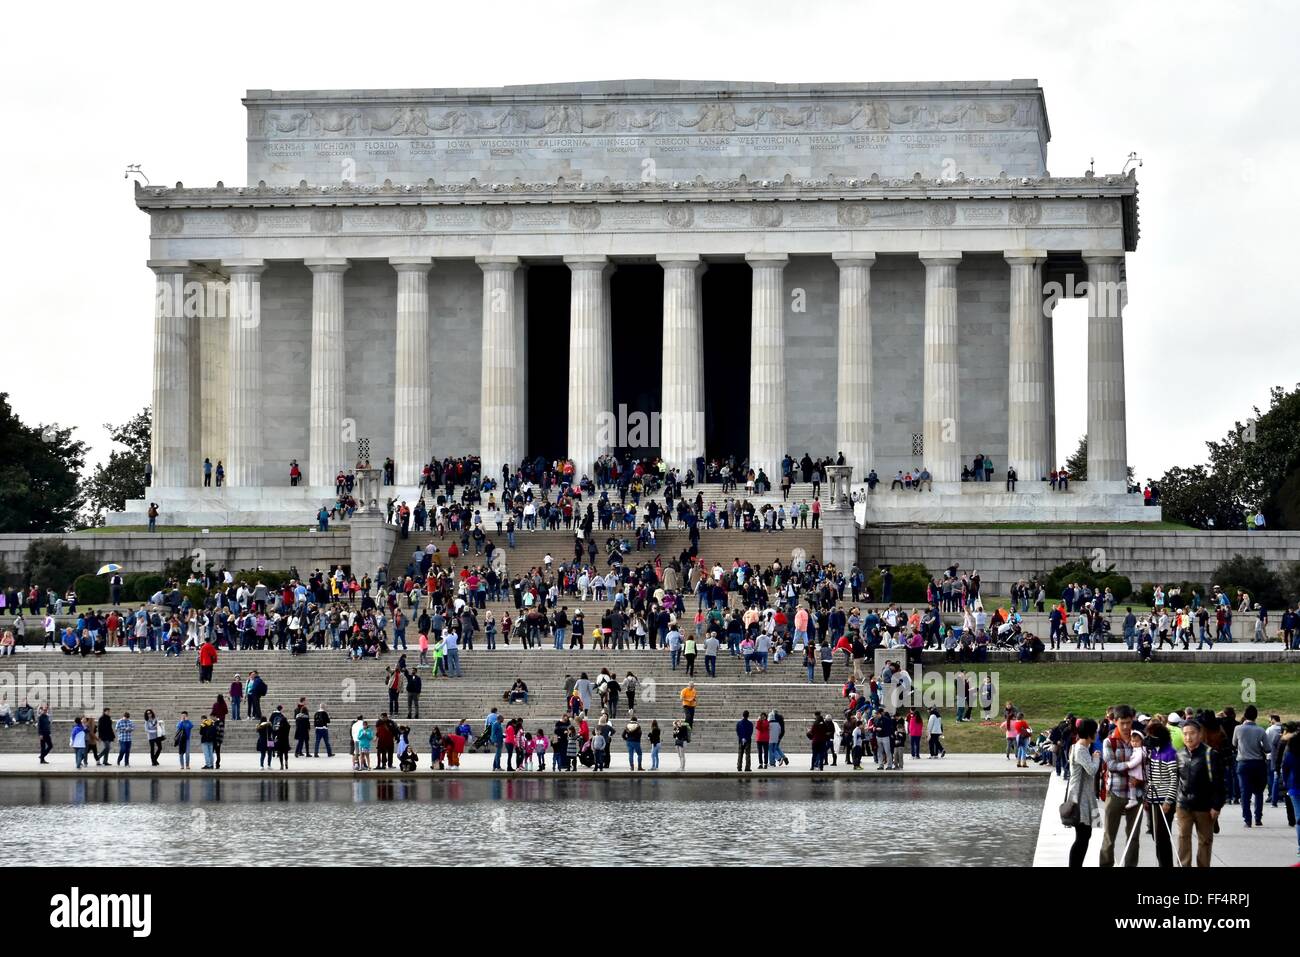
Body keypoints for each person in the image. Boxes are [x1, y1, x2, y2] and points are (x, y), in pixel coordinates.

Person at [1175, 718, 1225, 867]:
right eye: (1185, 734)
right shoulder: (1179, 754)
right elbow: (1175, 780)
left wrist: (1216, 806)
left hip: (1205, 806)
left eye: (1192, 733)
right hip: (1183, 804)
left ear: (1200, 734)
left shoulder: (1210, 755)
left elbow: (1219, 783)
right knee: (1183, 837)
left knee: (1205, 841)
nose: (1188, 737)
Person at [1099, 704, 1140, 867]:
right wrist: (1131, 767)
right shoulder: (1109, 741)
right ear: (1115, 721)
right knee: (1109, 836)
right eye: (1122, 723)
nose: (1125, 727)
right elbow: (1111, 765)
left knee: (1133, 837)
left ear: (1132, 720)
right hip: (1115, 792)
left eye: (1128, 722)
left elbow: (1145, 763)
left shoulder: (1139, 739)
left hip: (1136, 794)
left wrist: (1140, 778)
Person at [1065, 718, 1100, 866]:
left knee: (1084, 834)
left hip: (1082, 795)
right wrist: (1096, 758)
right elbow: (1091, 770)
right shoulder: (1080, 749)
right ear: (1090, 733)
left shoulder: (1080, 747)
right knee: (1083, 835)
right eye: (1095, 732)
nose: (1097, 734)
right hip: (1079, 798)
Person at [1233, 704, 1268, 827]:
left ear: (1245, 715)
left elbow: (1234, 743)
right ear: (1256, 716)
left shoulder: (1238, 729)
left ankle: (1247, 819)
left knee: (1245, 792)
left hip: (1243, 763)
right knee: (1258, 792)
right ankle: (1258, 818)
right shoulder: (1261, 730)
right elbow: (1268, 748)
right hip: (1258, 763)